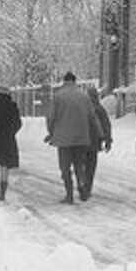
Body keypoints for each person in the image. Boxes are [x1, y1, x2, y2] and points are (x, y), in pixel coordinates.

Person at [45, 72, 104, 203]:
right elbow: (92, 117)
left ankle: (69, 194)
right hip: (81, 137)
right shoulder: (84, 97)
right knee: (79, 165)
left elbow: (51, 117)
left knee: (65, 167)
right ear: (75, 81)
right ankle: (82, 187)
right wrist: (100, 133)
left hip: (63, 139)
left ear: (64, 81)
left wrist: (51, 132)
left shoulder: (58, 96)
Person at [84, 85, 114, 198]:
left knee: (82, 165)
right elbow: (106, 125)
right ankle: (87, 188)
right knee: (91, 166)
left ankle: (83, 185)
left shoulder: (82, 108)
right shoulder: (100, 109)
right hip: (94, 142)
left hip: (82, 141)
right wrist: (108, 140)